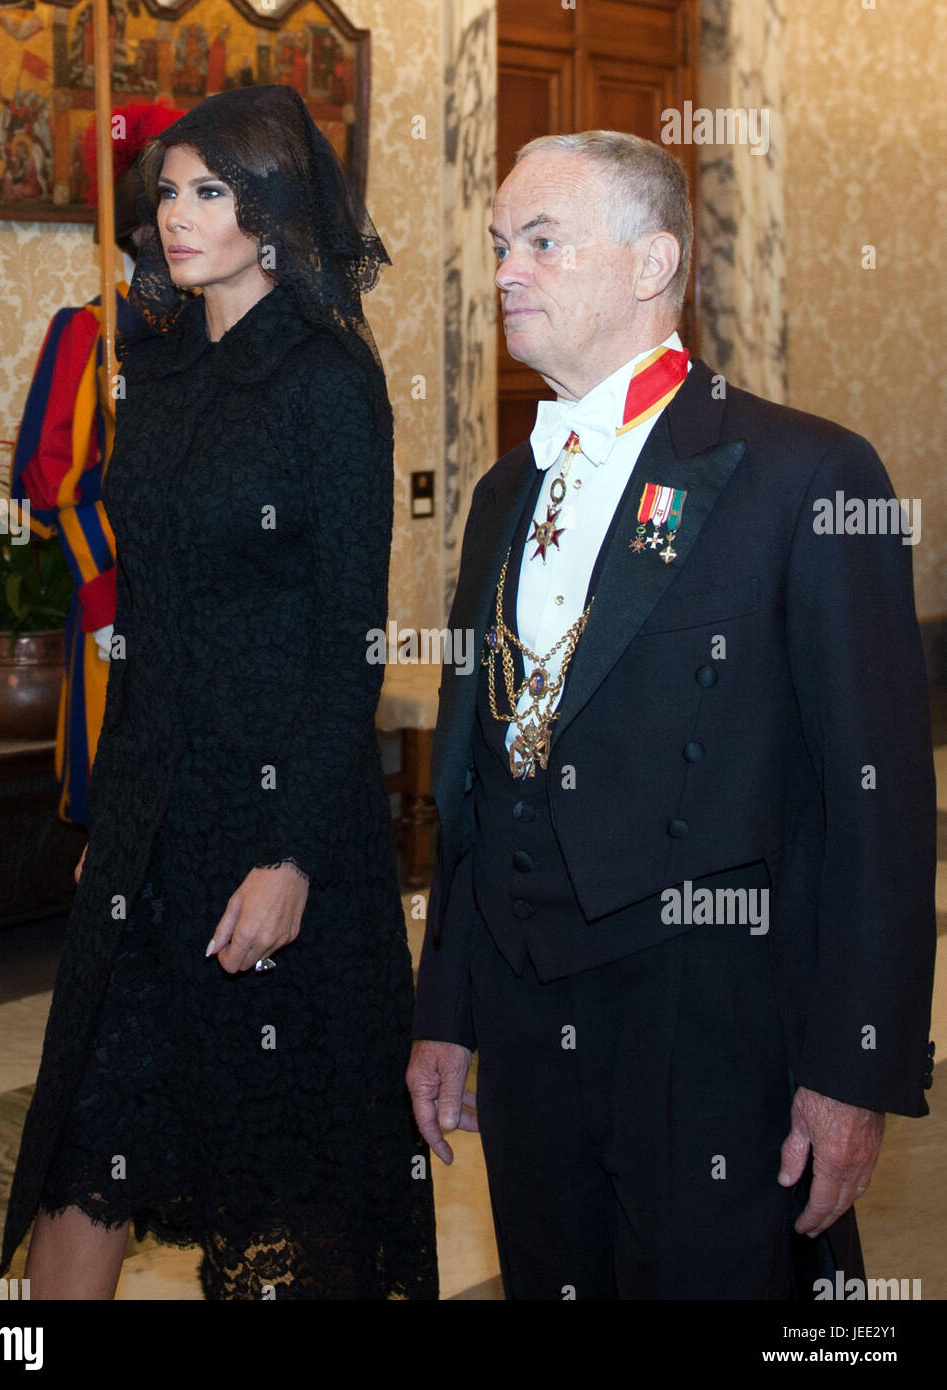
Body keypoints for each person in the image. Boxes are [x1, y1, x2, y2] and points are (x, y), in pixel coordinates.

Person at [407, 130, 937, 1300]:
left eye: (541, 241)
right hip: (524, 996)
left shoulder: (804, 475)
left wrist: (853, 1070)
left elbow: (879, 812)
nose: (504, 270)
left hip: (709, 1019)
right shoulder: (506, 489)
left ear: (652, 264)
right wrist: (444, 1009)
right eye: (499, 244)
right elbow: (473, 782)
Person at [0, 85, 437, 1300]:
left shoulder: (328, 383)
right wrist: (120, 810)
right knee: (90, 1128)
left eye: (208, 192)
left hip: (277, 815)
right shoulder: (158, 361)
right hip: (159, 804)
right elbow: (150, 612)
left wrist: (291, 856)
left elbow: (351, 638)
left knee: (277, 1163)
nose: (174, 216)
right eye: (167, 193)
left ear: (274, 208)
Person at [12, 101, 182, 826]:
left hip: (219, 615)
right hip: (126, 606)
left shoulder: (231, 330)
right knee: (128, 812)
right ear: (136, 229)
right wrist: (107, 600)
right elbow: (57, 479)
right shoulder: (91, 332)